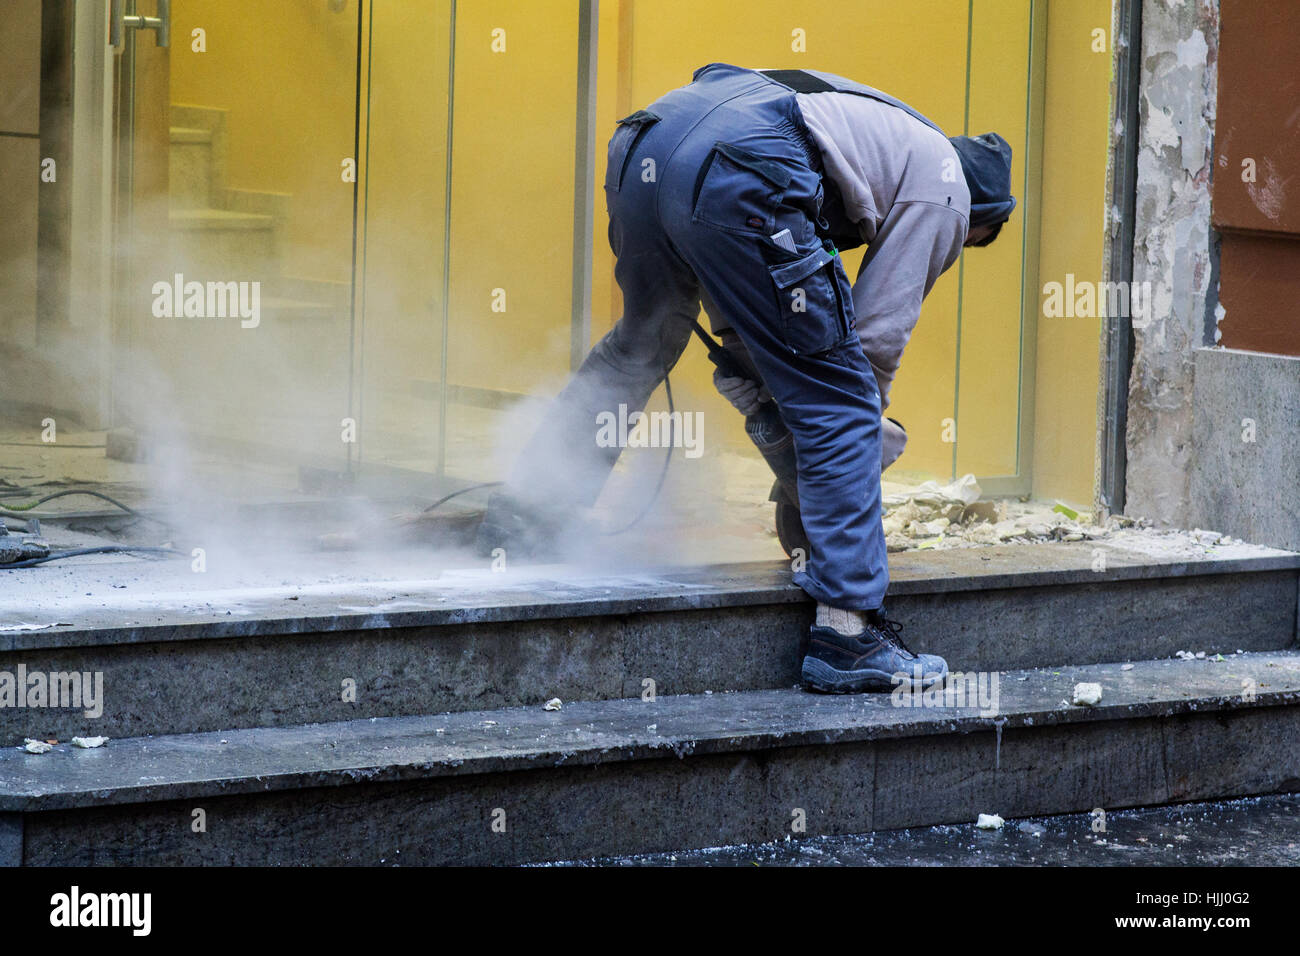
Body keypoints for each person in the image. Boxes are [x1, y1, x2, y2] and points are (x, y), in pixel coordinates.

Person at [478, 63, 1016, 694]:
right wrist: (847, 448)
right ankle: (848, 635)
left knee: (639, 346)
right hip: (742, 167)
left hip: (648, 148)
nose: (960, 248)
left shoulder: (881, 128)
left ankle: (523, 525)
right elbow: (867, 350)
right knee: (840, 401)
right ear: (984, 220)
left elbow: (758, 288)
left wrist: (757, 384)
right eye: (974, 242)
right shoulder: (947, 191)